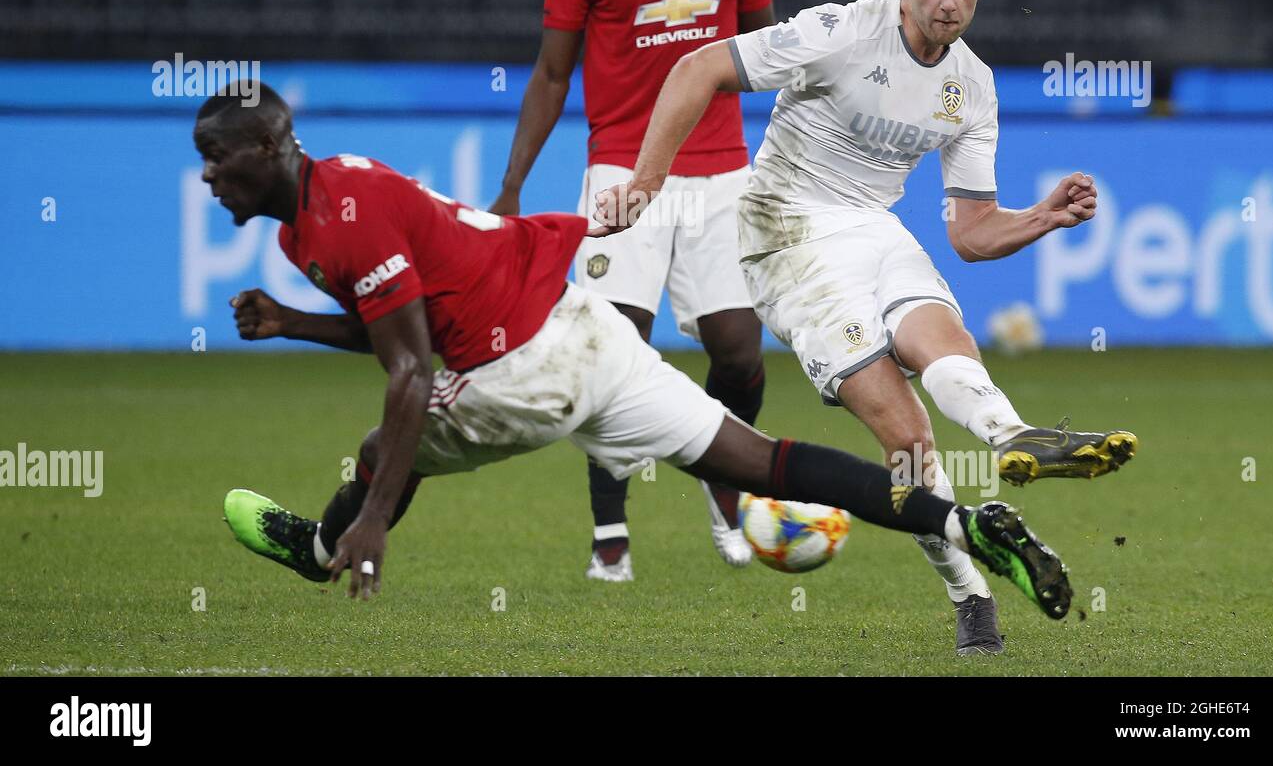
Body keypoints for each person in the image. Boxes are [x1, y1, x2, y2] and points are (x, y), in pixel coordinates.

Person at [195, 84, 1071, 626]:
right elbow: (401, 328)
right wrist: (293, 322)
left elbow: (411, 370)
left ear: (269, 150)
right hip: (586, 328)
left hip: (529, 363)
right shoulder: (328, 199)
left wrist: (377, 514)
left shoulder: (338, 221)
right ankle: (965, 523)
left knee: (386, 451)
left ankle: (321, 548)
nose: (206, 176)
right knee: (758, 460)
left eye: (216, 156)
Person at [590, 0, 1138, 654]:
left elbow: (972, 235)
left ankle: (1017, 437)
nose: (949, 2)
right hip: (786, 234)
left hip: (874, 228)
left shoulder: (972, 85)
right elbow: (696, 66)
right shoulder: (841, 30)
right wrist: (647, 182)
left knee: (943, 345)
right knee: (907, 433)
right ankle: (972, 597)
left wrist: (1042, 217)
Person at [489, 0, 775, 581]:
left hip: (719, 166)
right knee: (611, 349)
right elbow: (552, 74)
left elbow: (766, 54)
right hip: (621, 170)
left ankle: (724, 484)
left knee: (740, 351)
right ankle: (609, 533)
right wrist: (512, 187)